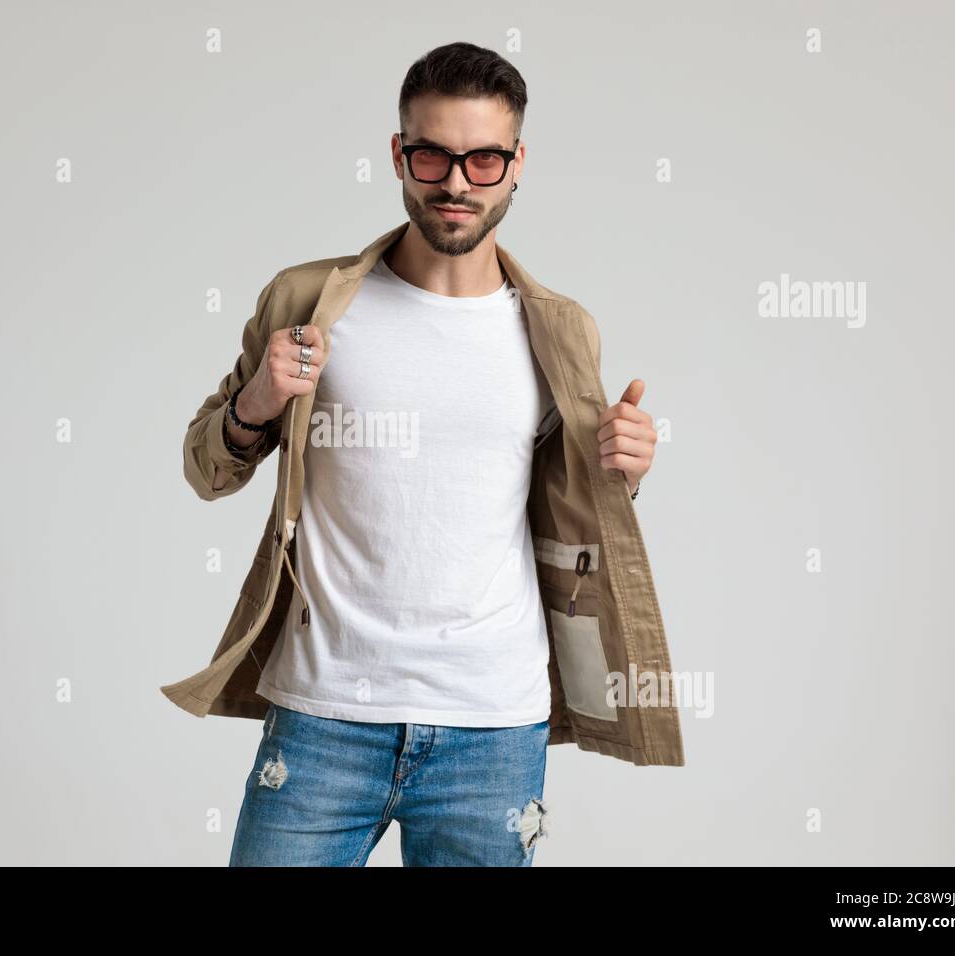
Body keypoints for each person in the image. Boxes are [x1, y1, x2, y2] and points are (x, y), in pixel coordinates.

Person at [166, 41, 675, 867]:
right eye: (434, 154)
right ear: (400, 154)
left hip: (493, 728)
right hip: (325, 714)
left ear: (517, 166)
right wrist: (257, 403)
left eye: (484, 159)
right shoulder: (309, 300)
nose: (456, 182)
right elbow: (204, 467)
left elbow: (572, 505)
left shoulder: (561, 328)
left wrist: (626, 472)